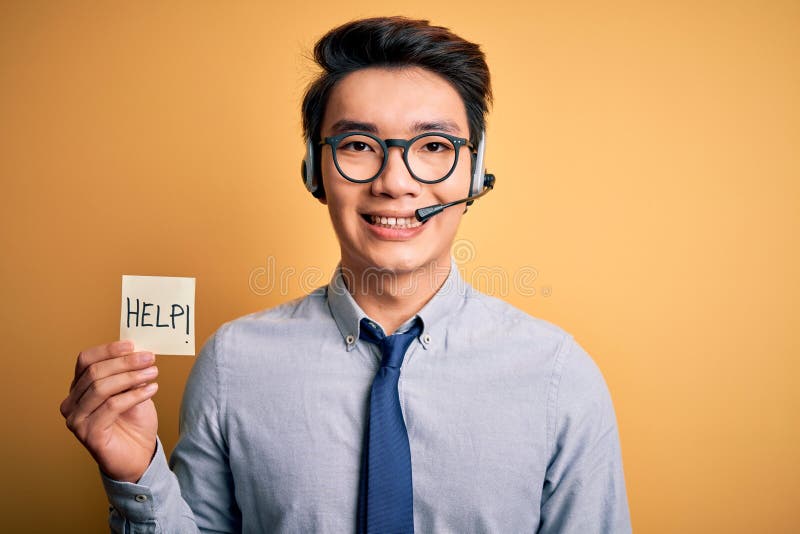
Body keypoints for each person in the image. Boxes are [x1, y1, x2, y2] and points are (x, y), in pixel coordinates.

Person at [60, 16, 631, 533]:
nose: (394, 182)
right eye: (359, 145)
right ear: (315, 169)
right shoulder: (232, 364)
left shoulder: (560, 377)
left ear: (475, 172)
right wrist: (137, 475)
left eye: (433, 146)